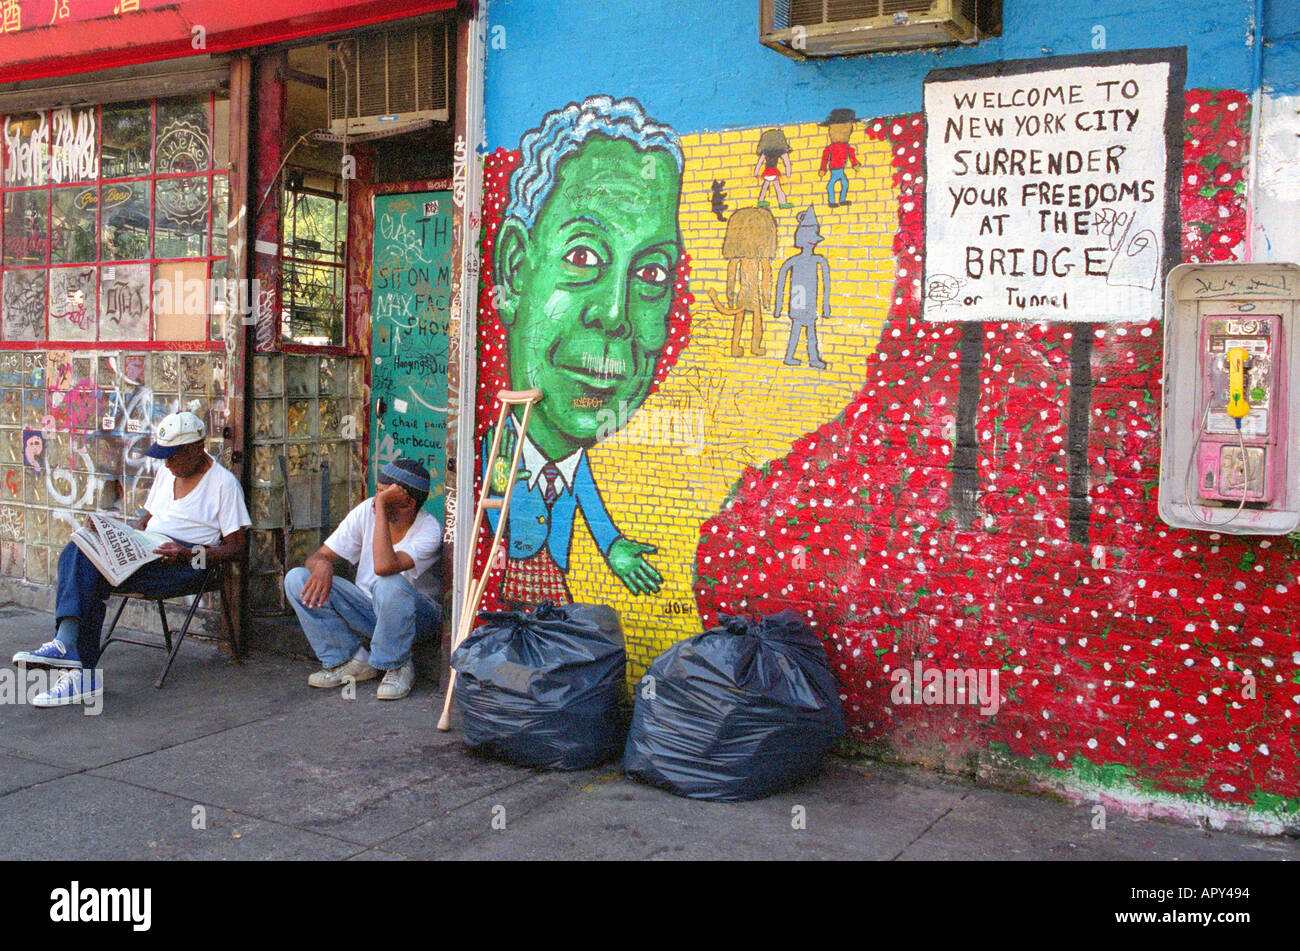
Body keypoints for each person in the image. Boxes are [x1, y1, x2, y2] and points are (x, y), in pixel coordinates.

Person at [486, 94, 676, 607]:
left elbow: (591, 511)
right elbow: (490, 501)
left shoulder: (577, 468)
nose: (615, 313)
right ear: (514, 269)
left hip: (558, 586)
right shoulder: (499, 445)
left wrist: (615, 551)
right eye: (583, 254)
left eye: (652, 273)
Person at [14, 411, 250, 707]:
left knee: (89, 570)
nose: (167, 463)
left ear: (196, 448)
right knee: (82, 547)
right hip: (148, 550)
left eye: (173, 456)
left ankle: (75, 660)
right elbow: (148, 520)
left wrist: (188, 553)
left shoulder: (223, 484)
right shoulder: (169, 473)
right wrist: (115, 534)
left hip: (188, 561)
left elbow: (237, 550)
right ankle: (68, 647)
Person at [284, 458, 443, 700]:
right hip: (369, 610)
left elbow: (384, 567)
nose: (374, 500)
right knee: (297, 578)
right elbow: (318, 556)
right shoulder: (367, 509)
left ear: (408, 503)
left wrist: (380, 506)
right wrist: (323, 564)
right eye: (377, 491)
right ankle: (351, 660)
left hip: (416, 618)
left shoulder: (429, 530)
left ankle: (397, 664)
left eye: (383, 494)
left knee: (388, 583)